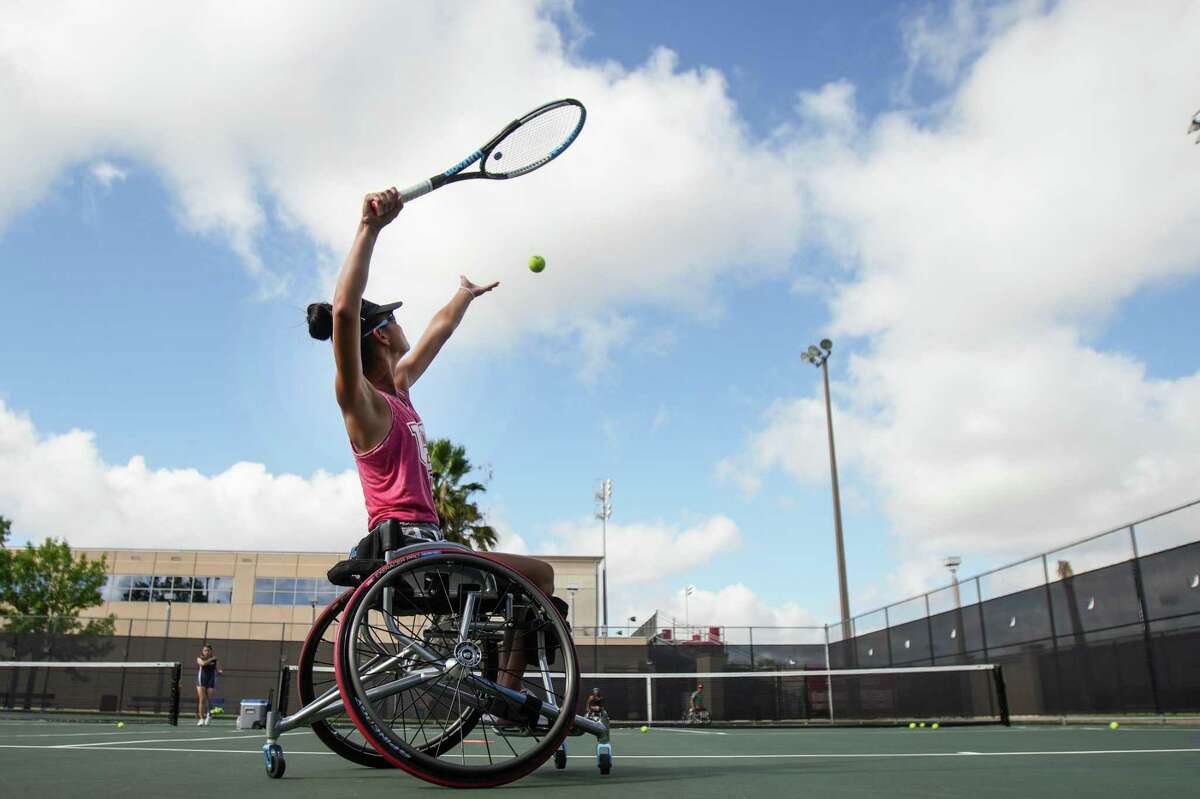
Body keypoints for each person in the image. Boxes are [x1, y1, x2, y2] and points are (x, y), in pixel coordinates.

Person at [306, 187, 556, 706]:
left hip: (426, 546)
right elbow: (346, 313)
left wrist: (462, 295)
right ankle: (508, 700)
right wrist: (369, 229)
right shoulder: (364, 402)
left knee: (525, 586)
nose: (404, 325)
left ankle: (502, 692)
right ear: (379, 335)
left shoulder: (398, 391)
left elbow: (435, 336)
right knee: (541, 578)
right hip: (410, 550)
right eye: (394, 319)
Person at [196, 644, 222, 725]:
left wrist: (220, 671)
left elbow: (218, 669)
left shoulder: (215, 660)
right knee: (202, 699)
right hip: (201, 680)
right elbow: (203, 664)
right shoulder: (199, 658)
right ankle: (201, 719)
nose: (206, 652)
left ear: (211, 651)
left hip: (211, 680)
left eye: (208, 650)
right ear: (202, 651)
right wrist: (211, 659)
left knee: (210, 700)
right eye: (205, 650)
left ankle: (209, 715)